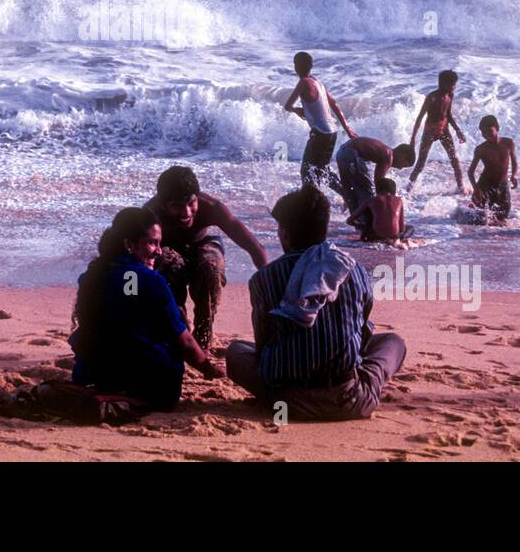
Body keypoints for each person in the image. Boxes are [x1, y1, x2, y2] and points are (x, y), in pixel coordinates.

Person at [225, 184, 407, 421]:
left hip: (285, 403)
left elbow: (264, 344)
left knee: (236, 352)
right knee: (393, 342)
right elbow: (361, 334)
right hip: (350, 401)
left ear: (286, 232)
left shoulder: (264, 278)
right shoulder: (355, 270)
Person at [69, 207, 224, 412]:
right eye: (152, 243)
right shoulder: (151, 280)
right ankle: (127, 397)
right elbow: (184, 341)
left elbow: (123, 306)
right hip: (148, 382)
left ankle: (106, 392)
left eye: (160, 243)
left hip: (94, 374)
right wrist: (208, 368)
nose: (159, 251)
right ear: (129, 244)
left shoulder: (90, 276)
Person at [144, 166, 268, 350]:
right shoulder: (150, 215)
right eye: (177, 206)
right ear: (163, 204)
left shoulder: (211, 207)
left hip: (201, 247)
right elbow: (127, 256)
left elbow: (254, 248)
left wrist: (270, 287)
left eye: (190, 203)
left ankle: (203, 335)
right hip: (167, 257)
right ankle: (179, 333)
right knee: (168, 262)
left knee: (211, 265)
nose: (186, 213)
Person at [283, 51, 355, 189]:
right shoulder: (318, 83)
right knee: (322, 171)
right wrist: (348, 129)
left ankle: (309, 201)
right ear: (311, 67)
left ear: (296, 66)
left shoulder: (303, 82)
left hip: (320, 133)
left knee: (307, 171)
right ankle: (348, 195)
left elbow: (287, 106)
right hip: (332, 132)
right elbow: (334, 104)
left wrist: (296, 110)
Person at [335, 135, 415, 234]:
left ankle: (360, 224)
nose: (400, 168)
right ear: (403, 155)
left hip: (341, 153)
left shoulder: (383, 151)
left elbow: (377, 182)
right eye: (404, 164)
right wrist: (386, 205)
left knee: (348, 191)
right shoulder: (389, 154)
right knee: (367, 190)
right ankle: (368, 224)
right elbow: (379, 183)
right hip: (351, 153)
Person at [407, 69, 467, 194]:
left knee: (454, 159)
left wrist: (458, 131)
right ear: (443, 84)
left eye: (455, 84)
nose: (454, 87)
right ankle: (409, 187)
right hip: (430, 130)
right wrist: (413, 139)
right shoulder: (432, 97)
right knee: (421, 162)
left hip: (444, 129)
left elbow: (448, 114)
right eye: (452, 84)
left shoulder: (450, 95)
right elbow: (419, 118)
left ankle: (461, 188)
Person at [468, 114, 518, 223]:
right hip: (486, 186)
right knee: (480, 219)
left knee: (502, 218)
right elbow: (470, 172)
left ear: (497, 128)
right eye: (483, 132)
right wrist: (476, 188)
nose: (486, 135)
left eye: (489, 131)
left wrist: (514, 175)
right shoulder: (481, 149)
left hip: (503, 186)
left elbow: (514, 161)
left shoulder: (508, 143)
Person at [347, 177, 409, 245]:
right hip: (393, 236)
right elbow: (402, 228)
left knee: (368, 214)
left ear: (377, 190)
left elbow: (349, 221)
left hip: (375, 236)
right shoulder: (399, 200)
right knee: (411, 228)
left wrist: (363, 226)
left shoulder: (371, 200)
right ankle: (400, 239)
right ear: (394, 191)